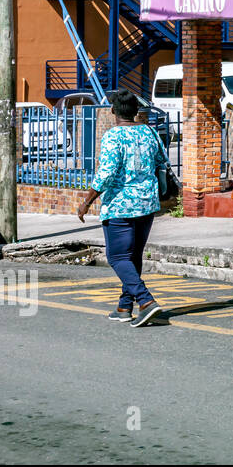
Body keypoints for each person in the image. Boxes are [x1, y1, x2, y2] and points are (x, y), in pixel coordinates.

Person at [78, 89, 169, 326]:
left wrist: (87, 201)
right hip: (147, 205)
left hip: (121, 207)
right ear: (137, 111)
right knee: (133, 256)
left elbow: (106, 174)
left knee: (117, 257)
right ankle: (124, 307)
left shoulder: (113, 136)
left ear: (112, 111)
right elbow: (162, 162)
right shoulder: (150, 132)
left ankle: (146, 301)